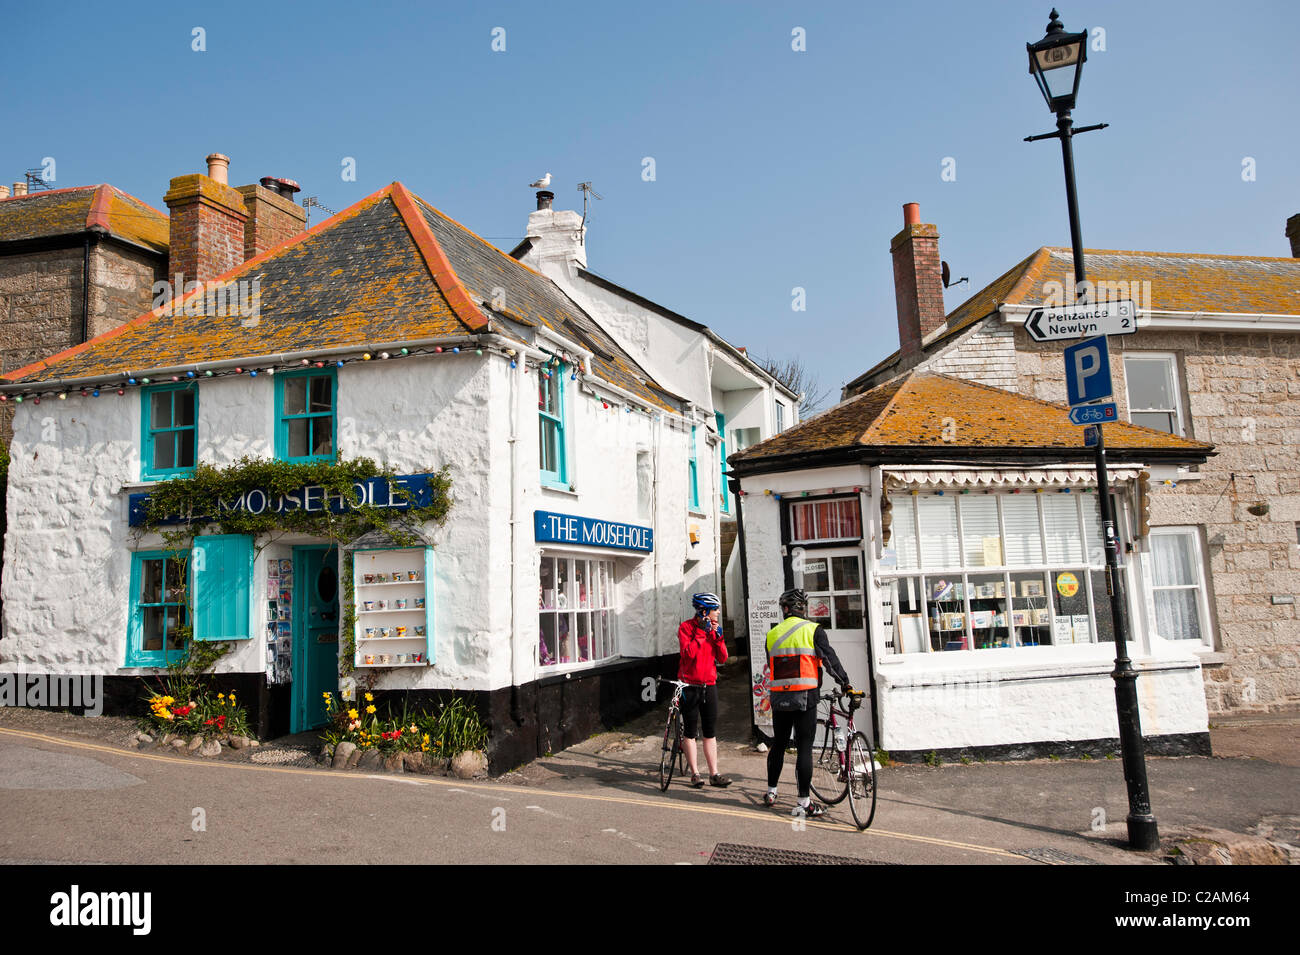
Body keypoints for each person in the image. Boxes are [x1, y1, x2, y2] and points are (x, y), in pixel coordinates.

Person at [764, 588, 852, 817]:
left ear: (785, 609)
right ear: (803, 609)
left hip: (779, 697)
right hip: (805, 696)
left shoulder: (772, 634)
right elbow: (830, 660)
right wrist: (845, 683)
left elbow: (770, 664)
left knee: (779, 744)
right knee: (804, 746)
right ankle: (804, 803)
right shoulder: (813, 630)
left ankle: (771, 792)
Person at [677, 592, 731, 788]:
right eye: (715, 609)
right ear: (704, 611)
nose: (718, 612)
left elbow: (723, 658)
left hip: (709, 686)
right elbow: (688, 655)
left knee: (710, 732)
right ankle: (695, 773)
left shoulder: (715, 629)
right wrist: (700, 632)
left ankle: (714, 774)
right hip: (689, 686)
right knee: (690, 731)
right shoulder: (686, 628)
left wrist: (718, 638)